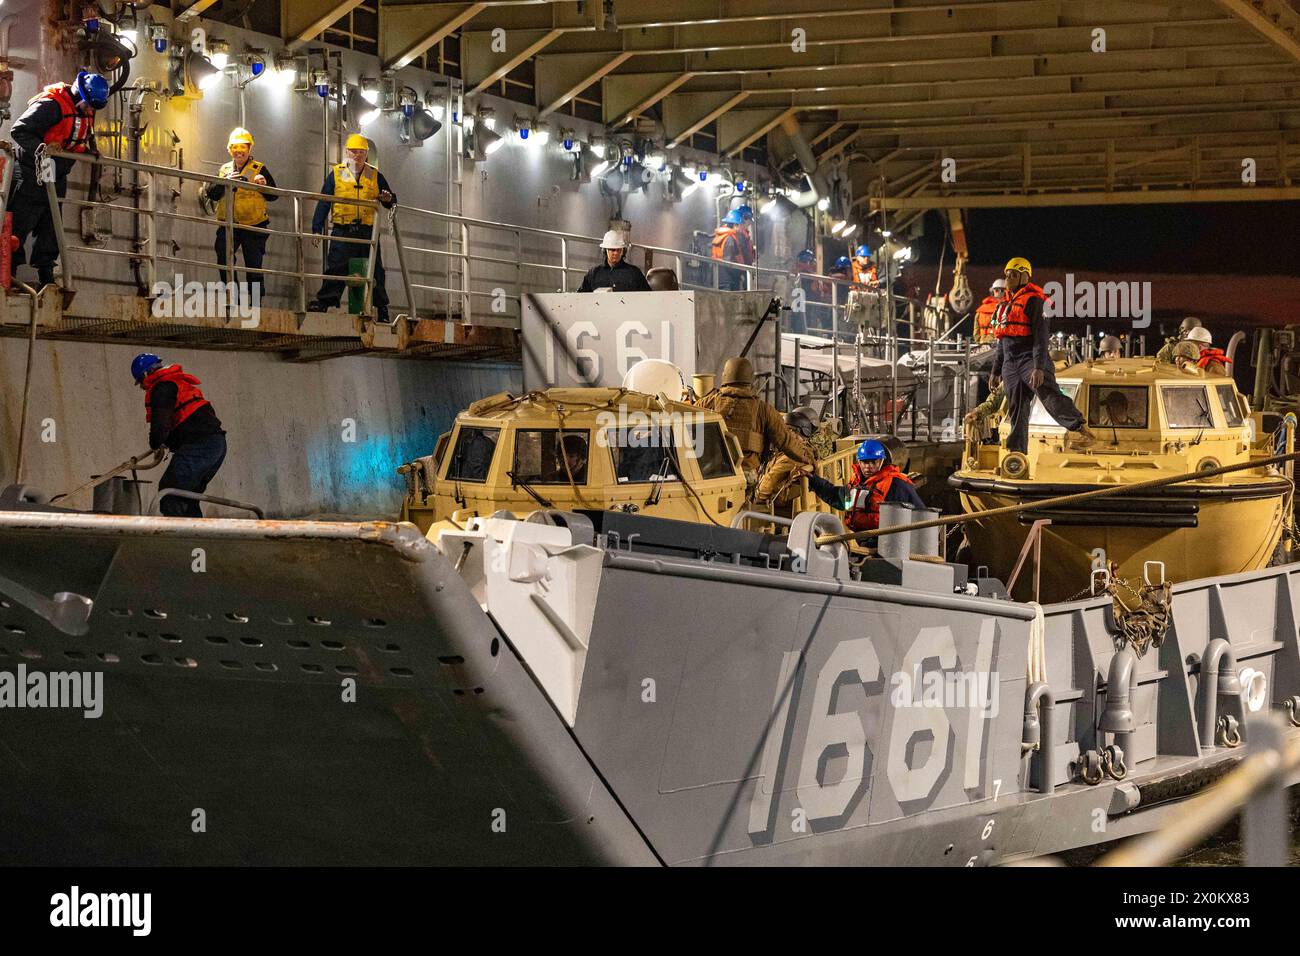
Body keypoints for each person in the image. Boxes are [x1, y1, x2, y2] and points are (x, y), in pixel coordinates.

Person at [7, 71, 108, 288]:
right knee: (19, 224)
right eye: (89, 105)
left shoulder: (86, 109)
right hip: (31, 173)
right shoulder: (51, 106)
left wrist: (92, 150)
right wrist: (41, 150)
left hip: (56, 174)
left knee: (51, 226)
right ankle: (8, 273)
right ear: (82, 96)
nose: (90, 110)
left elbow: (82, 132)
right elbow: (19, 130)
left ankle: (46, 275)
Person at [990, 257, 1095, 454]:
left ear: (1024, 276)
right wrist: (996, 370)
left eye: (1013, 275)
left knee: (1049, 395)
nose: (1008, 279)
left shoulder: (1035, 302)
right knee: (1016, 408)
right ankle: (1017, 453)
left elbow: (1041, 337)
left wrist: (1038, 367)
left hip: (1031, 357)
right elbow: (1002, 340)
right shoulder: (1005, 305)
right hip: (1011, 361)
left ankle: (1082, 430)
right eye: (1006, 275)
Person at [308, 134, 396, 323]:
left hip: (367, 232)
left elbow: (391, 200)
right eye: (353, 151)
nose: (356, 155)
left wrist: (388, 199)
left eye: (361, 152)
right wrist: (316, 228)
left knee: (375, 271)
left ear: (367, 155)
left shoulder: (375, 176)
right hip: (342, 230)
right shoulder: (336, 174)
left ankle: (382, 309)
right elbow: (324, 201)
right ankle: (324, 303)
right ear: (347, 152)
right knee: (336, 268)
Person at [697, 356, 812, 495]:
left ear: (725, 377)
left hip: (709, 474)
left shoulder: (706, 403)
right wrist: (808, 457)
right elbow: (786, 442)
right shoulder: (763, 409)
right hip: (744, 477)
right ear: (750, 381)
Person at [131, 353, 227, 518]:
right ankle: (198, 538)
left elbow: (160, 424)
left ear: (146, 374)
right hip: (215, 445)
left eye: (141, 382)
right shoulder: (178, 383)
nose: (143, 387)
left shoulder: (161, 388)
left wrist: (156, 443)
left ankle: (179, 540)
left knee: (170, 492)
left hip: (200, 446)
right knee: (186, 497)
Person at [202, 128, 277, 301]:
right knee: (223, 258)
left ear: (249, 149)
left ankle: (256, 300)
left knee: (253, 265)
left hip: (254, 225)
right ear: (230, 149)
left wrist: (263, 185)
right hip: (229, 225)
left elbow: (273, 195)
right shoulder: (224, 170)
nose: (238, 151)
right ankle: (232, 296)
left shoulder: (259, 169)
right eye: (235, 147)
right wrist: (225, 181)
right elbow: (212, 193)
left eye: (242, 147)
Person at [807, 439, 924, 533]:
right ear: (859, 462)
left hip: (886, 541)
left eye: (874, 462)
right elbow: (835, 495)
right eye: (865, 462)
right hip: (861, 539)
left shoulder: (896, 484)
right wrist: (812, 479)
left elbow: (921, 513)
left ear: (882, 461)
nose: (868, 466)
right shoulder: (856, 484)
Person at [755, 405, 819, 512]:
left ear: (792, 433)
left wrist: (754, 500)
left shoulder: (790, 457)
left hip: (779, 508)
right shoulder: (803, 451)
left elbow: (766, 487)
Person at [577, 230, 650, 292]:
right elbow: (580, 297)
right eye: (612, 250)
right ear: (605, 250)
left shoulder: (634, 273)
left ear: (623, 251)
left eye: (619, 250)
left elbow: (648, 296)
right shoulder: (593, 274)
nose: (616, 253)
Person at [711, 206, 755, 290]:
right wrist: (740, 274)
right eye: (741, 224)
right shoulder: (730, 239)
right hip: (728, 280)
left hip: (720, 278)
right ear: (735, 225)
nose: (743, 226)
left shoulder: (723, 236)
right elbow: (728, 262)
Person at [972, 278, 1006, 345]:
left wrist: (979, 341)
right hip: (998, 344)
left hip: (982, 343)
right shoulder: (1004, 308)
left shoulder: (981, 310)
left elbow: (976, 331)